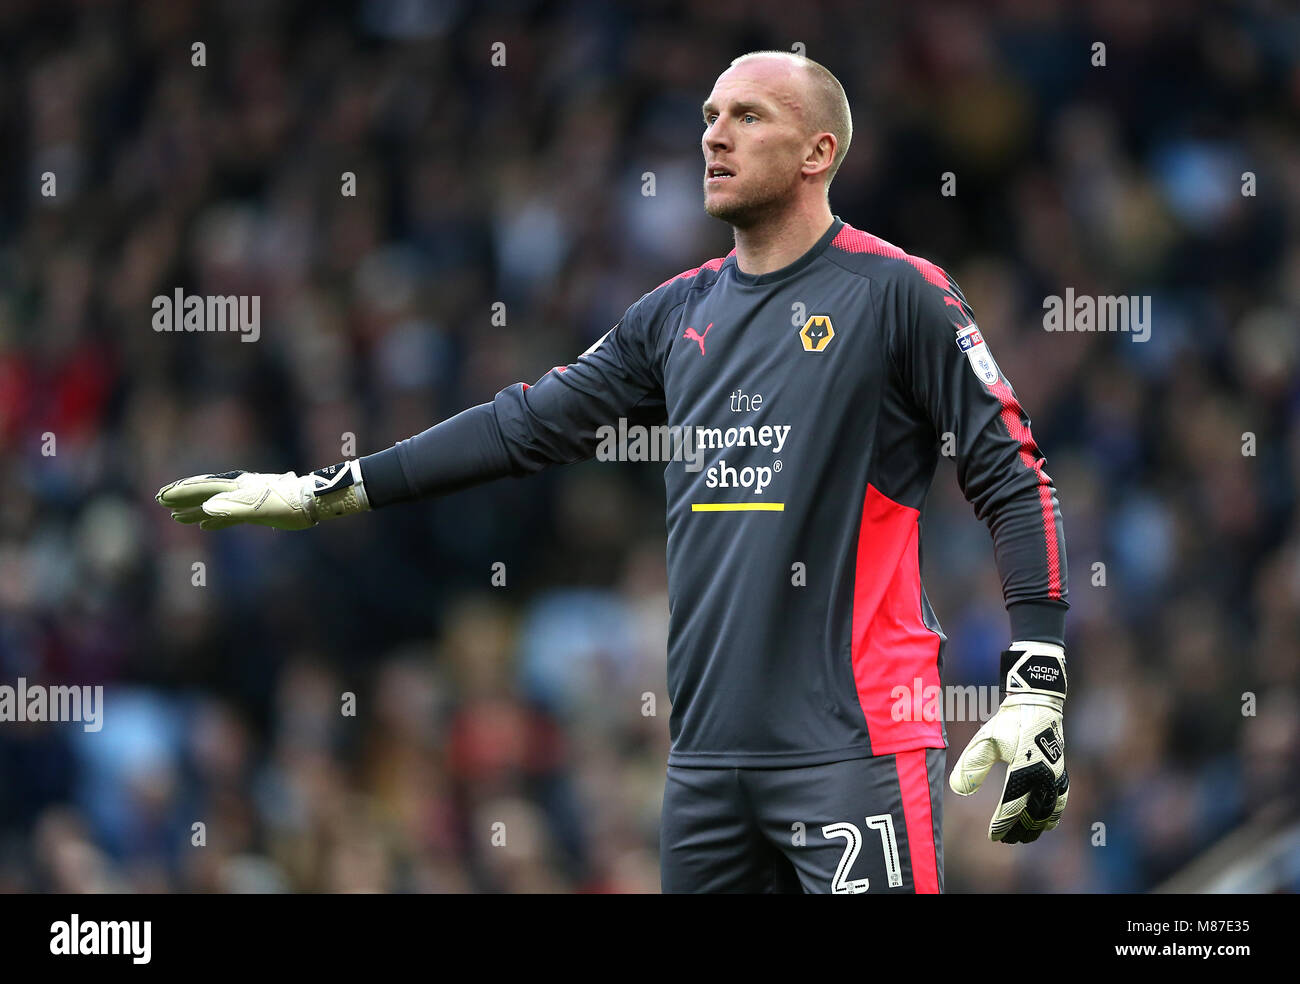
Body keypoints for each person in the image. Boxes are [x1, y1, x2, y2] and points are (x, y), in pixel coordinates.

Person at [157, 50, 1070, 894]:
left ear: (817, 152)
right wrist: (330, 490)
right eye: (711, 114)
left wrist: (1038, 678)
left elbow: (1013, 474)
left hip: (854, 748)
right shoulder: (677, 314)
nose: (713, 133)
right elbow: (526, 424)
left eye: (748, 117)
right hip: (706, 767)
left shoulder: (896, 294)